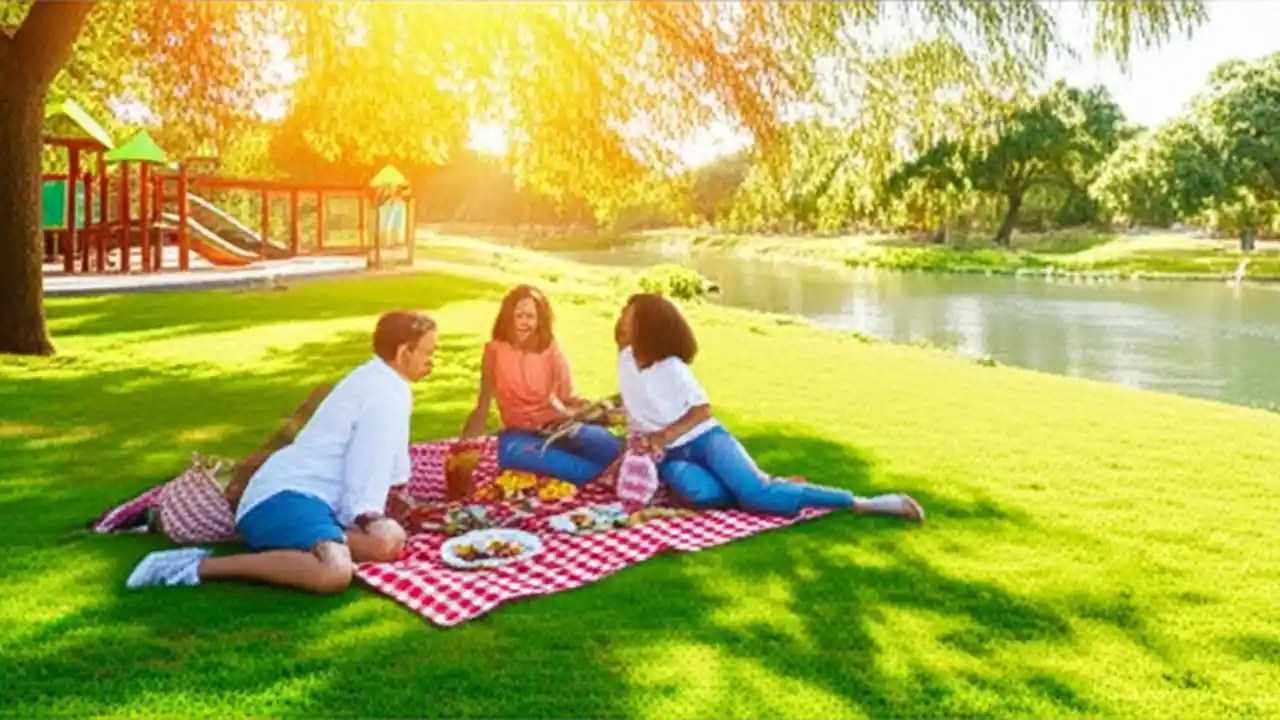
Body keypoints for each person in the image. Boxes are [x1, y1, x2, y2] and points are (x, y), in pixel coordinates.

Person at [125, 310, 438, 593]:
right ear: (402, 352)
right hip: (283, 496)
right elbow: (365, 465)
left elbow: (387, 465)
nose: (432, 361)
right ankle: (190, 566)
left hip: (312, 499)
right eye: (428, 352)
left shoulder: (385, 384)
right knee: (334, 572)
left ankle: (311, 541)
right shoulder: (381, 393)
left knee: (387, 542)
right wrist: (368, 516)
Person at [615, 293, 925, 521]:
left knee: (754, 496)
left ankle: (862, 503)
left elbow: (701, 410)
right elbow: (639, 400)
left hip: (705, 440)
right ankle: (765, 486)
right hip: (668, 455)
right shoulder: (626, 360)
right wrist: (619, 419)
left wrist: (665, 435)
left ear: (647, 325)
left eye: (629, 314)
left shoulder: (672, 367)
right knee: (703, 496)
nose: (622, 319)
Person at [461, 284, 621, 485]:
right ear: (508, 317)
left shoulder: (550, 349)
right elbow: (482, 405)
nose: (524, 323)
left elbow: (568, 398)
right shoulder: (494, 351)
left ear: (539, 321)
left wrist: (596, 410)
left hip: (558, 427)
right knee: (516, 455)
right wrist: (465, 446)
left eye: (530, 317)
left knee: (607, 446)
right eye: (519, 316)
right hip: (518, 436)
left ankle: (616, 470)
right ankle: (607, 477)